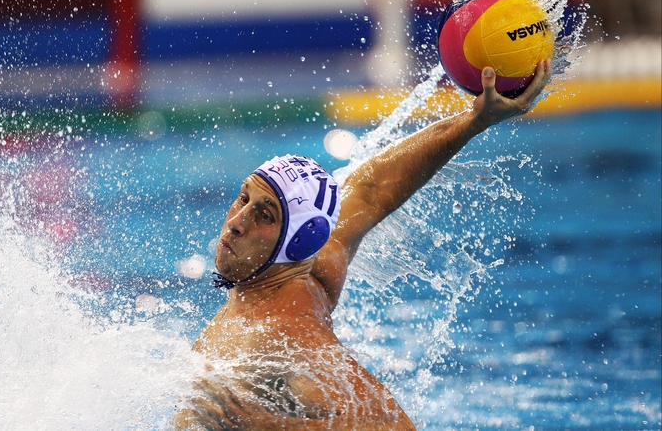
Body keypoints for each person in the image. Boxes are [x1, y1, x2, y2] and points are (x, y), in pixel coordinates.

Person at [172, 61, 552, 430]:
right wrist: (474, 119)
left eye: (265, 215)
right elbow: (371, 188)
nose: (237, 223)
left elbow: (396, 427)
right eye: (243, 198)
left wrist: (266, 424)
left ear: (298, 242)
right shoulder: (314, 260)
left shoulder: (288, 341)